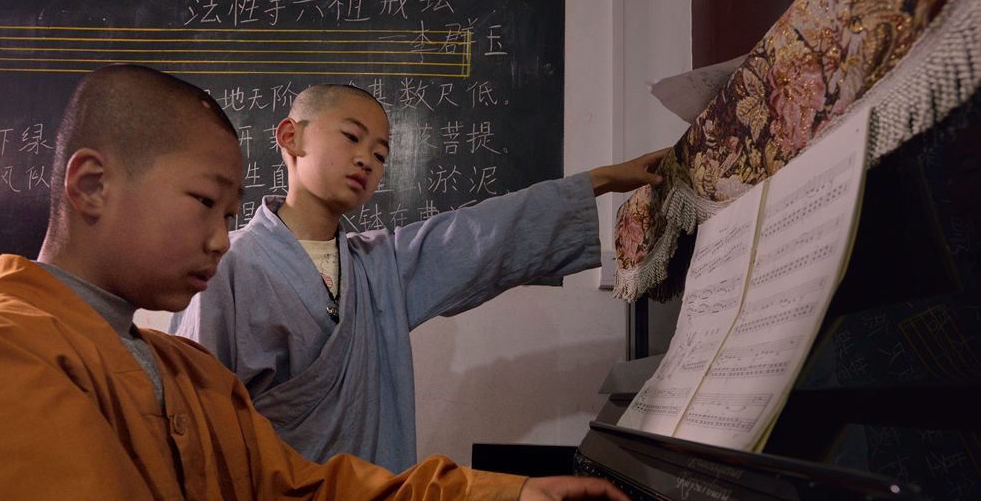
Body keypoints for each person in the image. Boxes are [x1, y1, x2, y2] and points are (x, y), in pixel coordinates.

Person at [0, 64, 639, 501]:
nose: (223, 238)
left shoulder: (182, 369)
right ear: (92, 185)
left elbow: (302, 500)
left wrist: (496, 498)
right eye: (203, 203)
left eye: (229, 214)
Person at [169, 82, 667, 471]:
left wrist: (601, 181)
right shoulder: (226, 267)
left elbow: (481, 235)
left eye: (382, 154)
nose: (367, 158)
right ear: (290, 137)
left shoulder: (381, 267)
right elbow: (193, 420)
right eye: (351, 136)